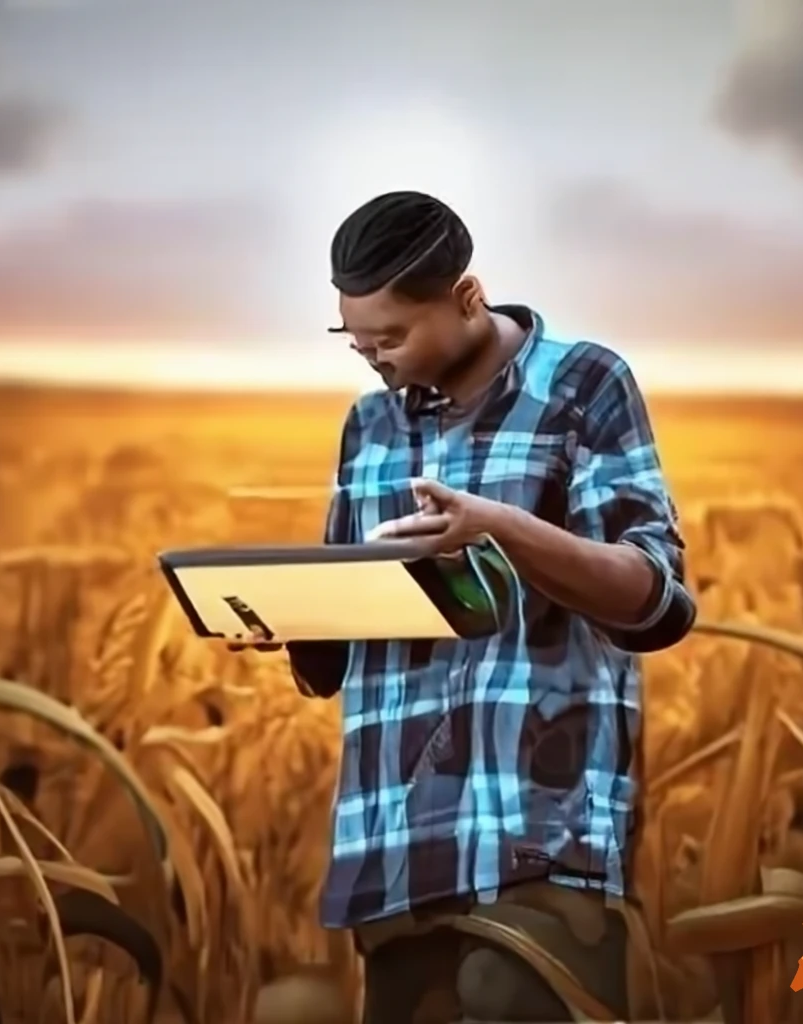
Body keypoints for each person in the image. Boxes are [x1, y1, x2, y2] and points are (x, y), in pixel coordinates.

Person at [282, 191, 696, 1023]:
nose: (374, 360)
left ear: (466, 297)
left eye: (391, 338)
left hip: (540, 820)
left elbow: (654, 599)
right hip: (395, 830)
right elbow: (348, 628)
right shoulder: (367, 426)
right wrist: (290, 619)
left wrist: (500, 527)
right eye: (355, 342)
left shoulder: (584, 385)